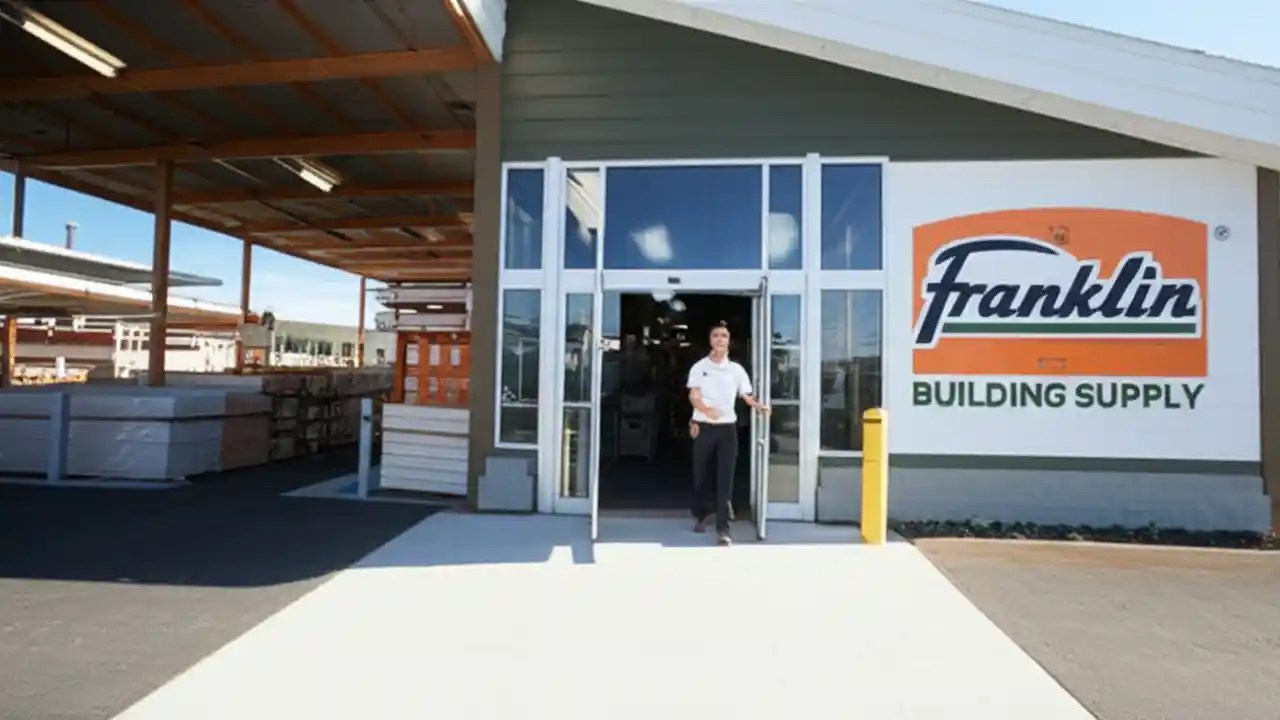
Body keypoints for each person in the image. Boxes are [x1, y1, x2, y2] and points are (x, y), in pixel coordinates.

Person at [687, 321, 769, 546]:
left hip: (726, 430)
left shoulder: (736, 370)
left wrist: (758, 406)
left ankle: (723, 528)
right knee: (701, 474)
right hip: (704, 426)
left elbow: (747, 395)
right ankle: (702, 514)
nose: (720, 339)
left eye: (724, 336)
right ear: (710, 340)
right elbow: (694, 395)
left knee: (725, 477)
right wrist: (705, 411)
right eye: (716, 335)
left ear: (728, 341)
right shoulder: (699, 367)